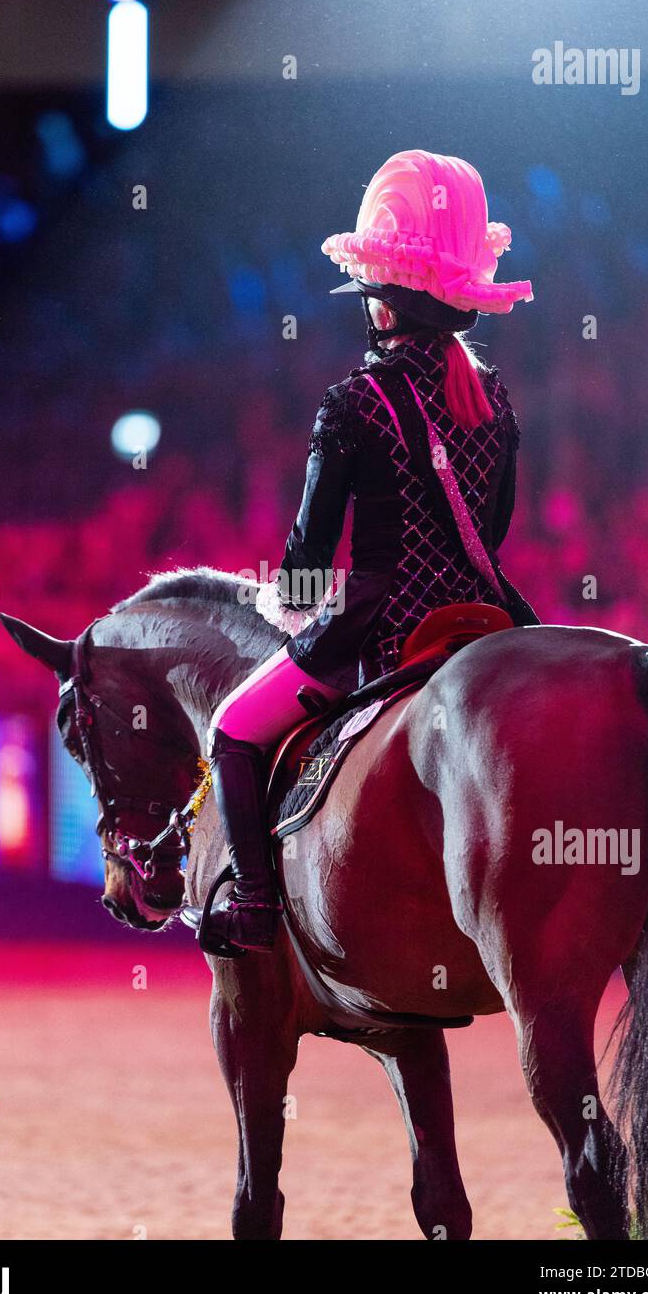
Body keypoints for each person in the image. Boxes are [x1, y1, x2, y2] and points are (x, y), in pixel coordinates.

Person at [183, 150, 538, 956]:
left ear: (383, 309)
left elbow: (309, 551)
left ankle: (258, 908)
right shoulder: (495, 401)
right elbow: (499, 526)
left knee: (234, 731)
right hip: (481, 620)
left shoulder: (354, 401)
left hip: (378, 625)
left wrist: (293, 607)